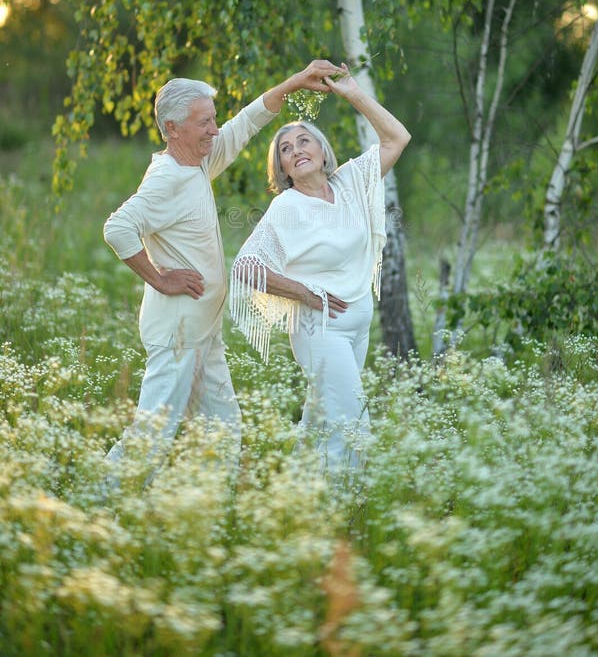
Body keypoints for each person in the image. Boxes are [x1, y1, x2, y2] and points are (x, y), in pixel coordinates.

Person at [102, 59, 342, 479]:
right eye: (204, 123)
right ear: (173, 129)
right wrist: (159, 278)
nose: (215, 130)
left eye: (213, 119)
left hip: (203, 332)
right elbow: (118, 228)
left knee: (224, 435)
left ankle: (207, 515)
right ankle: (97, 504)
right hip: (178, 334)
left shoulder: (197, 161)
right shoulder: (167, 178)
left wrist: (297, 80)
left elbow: (245, 124)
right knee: (152, 435)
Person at [230, 63, 411, 472]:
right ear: (283, 169)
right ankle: (351, 508)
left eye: (302, 140)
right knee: (352, 424)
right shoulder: (287, 206)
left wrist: (352, 93)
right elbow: (246, 265)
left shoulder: (350, 183)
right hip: (319, 329)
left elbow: (398, 137)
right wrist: (304, 294)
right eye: (286, 149)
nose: (296, 150)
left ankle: (294, 494)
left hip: (356, 326)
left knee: (319, 421)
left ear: (321, 150)